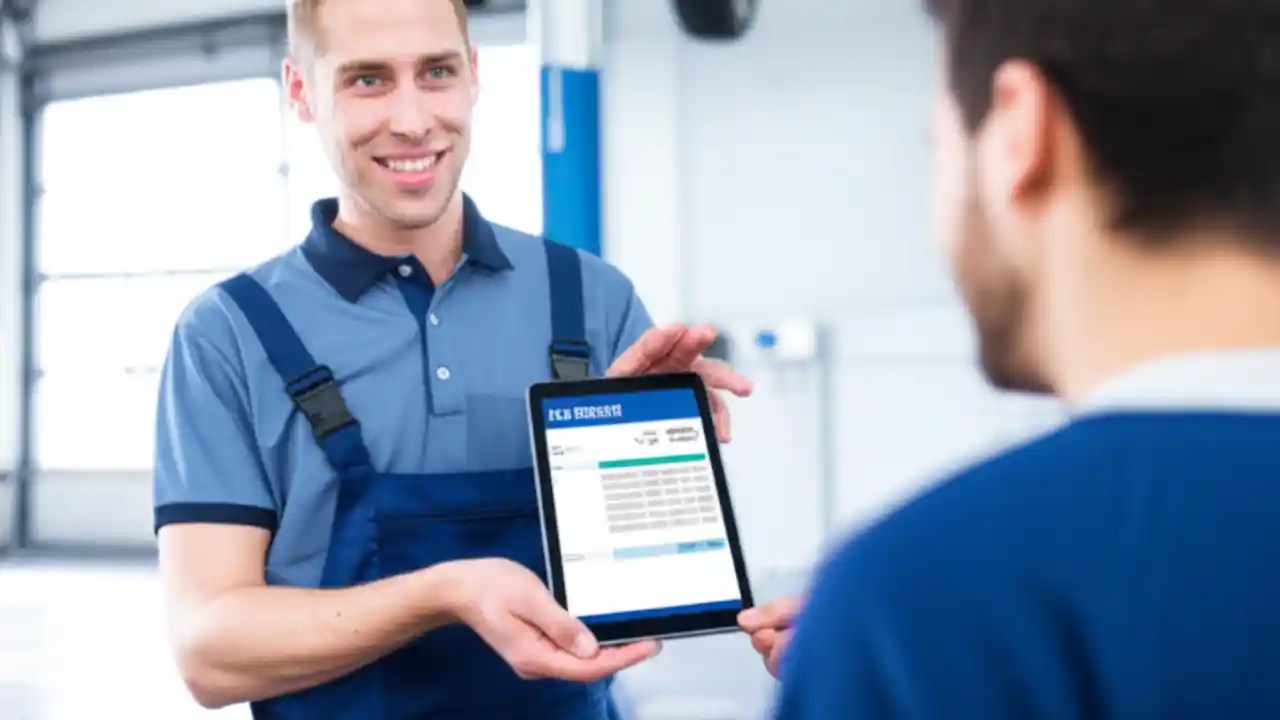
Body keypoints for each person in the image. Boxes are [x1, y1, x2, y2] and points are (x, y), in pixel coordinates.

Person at [151, 0, 752, 718]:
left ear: (472, 75)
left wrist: (642, 450)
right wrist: (443, 593)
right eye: (368, 80)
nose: (412, 120)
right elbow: (209, 655)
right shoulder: (229, 334)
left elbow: (651, 593)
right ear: (302, 92)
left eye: (435, 72)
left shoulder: (591, 297)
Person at [741, 0, 1280, 716]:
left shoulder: (924, 595)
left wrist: (902, 653)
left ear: (1019, 129)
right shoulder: (932, 602)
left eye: (939, 149)